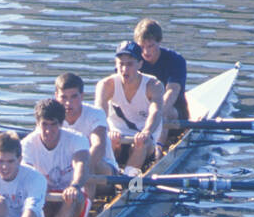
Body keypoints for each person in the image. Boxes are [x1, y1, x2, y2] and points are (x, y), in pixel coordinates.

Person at [21, 98, 91, 217]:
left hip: (72, 198)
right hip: (44, 198)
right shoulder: (27, 144)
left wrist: (75, 186)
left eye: (53, 125)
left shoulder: (77, 139)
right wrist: (39, 188)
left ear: (61, 124)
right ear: (37, 123)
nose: (48, 130)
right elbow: (27, 173)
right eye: (44, 124)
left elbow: (81, 164)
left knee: (70, 199)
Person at [95, 40, 166, 174]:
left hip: (144, 139)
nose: (124, 70)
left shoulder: (154, 86)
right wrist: (108, 130)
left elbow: (155, 112)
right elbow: (99, 113)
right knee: (108, 141)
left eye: (130, 64)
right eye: (121, 64)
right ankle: (115, 180)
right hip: (116, 136)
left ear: (140, 64)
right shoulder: (106, 85)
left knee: (140, 145)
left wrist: (146, 132)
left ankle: (131, 185)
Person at [55, 72, 116, 179]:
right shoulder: (52, 118)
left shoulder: (95, 113)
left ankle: (85, 192)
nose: (68, 103)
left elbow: (98, 146)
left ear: (82, 96)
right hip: (67, 170)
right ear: (56, 97)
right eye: (64, 97)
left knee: (87, 160)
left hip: (104, 170)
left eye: (74, 97)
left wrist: (79, 171)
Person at [134, 18, 188, 132]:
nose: (146, 52)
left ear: (159, 42)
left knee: (164, 114)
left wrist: (153, 117)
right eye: (142, 47)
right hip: (141, 112)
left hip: (173, 110)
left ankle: (158, 147)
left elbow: (172, 91)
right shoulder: (132, 61)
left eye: (151, 46)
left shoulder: (175, 60)